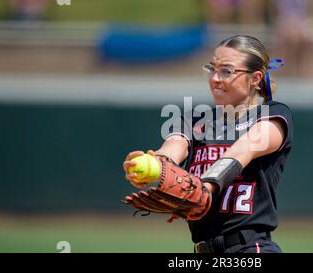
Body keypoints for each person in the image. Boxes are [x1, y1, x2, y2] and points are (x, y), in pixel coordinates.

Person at [123, 35, 294, 253]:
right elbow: (174, 146)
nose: (214, 78)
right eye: (212, 69)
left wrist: (205, 187)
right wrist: (156, 164)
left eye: (226, 71)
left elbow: (244, 149)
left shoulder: (273, 115)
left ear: (255, 78)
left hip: (251, 248)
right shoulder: (194, 121)